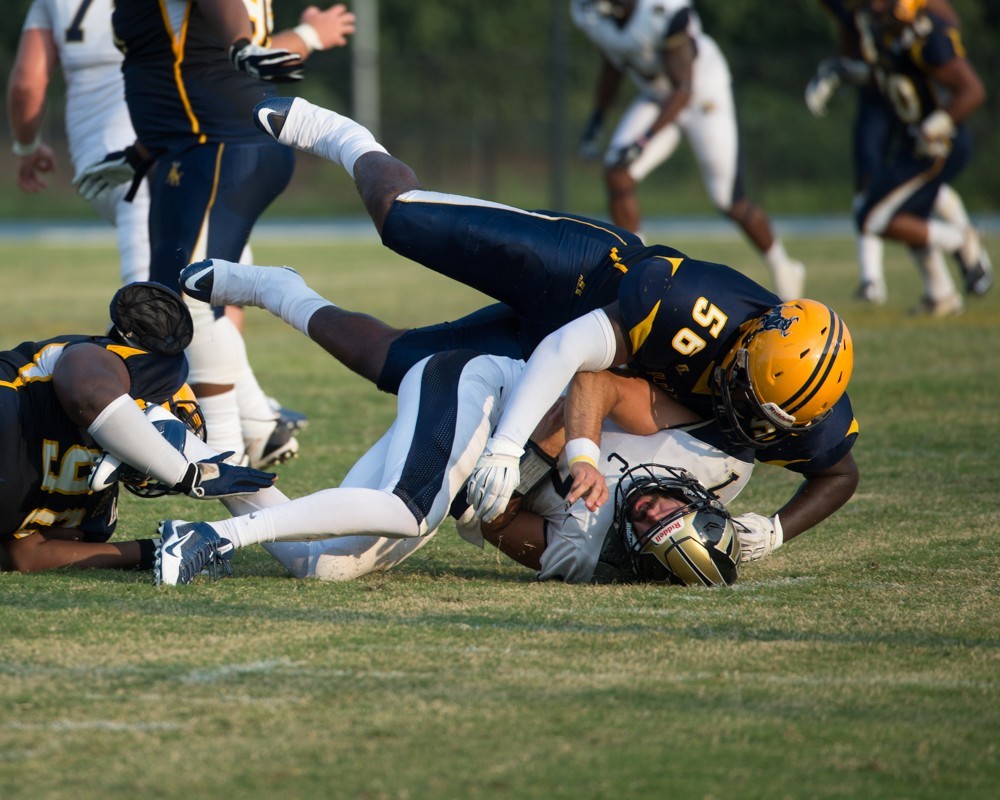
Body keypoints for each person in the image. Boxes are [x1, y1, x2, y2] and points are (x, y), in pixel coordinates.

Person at [218, 94, 857, 551]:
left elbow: (839, 474)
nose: (745, 412)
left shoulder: (802, 404)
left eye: (765, 414)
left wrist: (775, 529)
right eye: (745, 388)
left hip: (570, 357)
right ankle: (340, 135)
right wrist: (503, 450)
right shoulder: (697, 303)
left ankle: (276, 291)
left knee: (396, 365)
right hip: (580, 280)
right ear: (748, 342)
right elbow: (576, 345)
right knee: (402, 220)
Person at [154, 265, 766, 586]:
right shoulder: (710, 457)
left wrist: (491, 496)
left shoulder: (588, 556)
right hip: (480, 386)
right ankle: (212, 538)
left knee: (325, 565)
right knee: (409, 508)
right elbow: (595, 376)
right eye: (671, 514)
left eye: (653, 532)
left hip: (468, 452)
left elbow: (492, 521)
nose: (651, 512)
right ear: (700, 498)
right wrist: (575, 451)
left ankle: (191, 457)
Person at [74, 0, 355, 467]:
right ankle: (254, 432)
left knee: (189, 298)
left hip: (220, 144)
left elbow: (222, 21)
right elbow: (180, 64)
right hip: (187, 145)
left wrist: (242, 43)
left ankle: (223, 456)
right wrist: (141, 151)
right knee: (166, 301)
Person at [0, 281, 277, 574]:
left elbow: (23, 556)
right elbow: (87, 387)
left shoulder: (96, 502)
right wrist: (182, 472)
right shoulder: (103, 359)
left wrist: (158, 550)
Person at [569, 0, 806, 301]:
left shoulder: (663, 11)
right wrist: (598, 117)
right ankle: (634, 273)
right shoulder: (589, 14)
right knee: (618, 173)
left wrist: (643, 141)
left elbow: (684, 88)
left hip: (701, 94)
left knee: (729, 200)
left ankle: (783, 267)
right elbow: (613, 60)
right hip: (656, 95)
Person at [805, 0, 992, 308]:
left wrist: (933, 128)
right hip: (917, 144)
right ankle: (941, 294)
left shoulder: (929, 40)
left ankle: (959, 240)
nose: (874, 8)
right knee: (908, 216)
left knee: (871, 217)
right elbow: (884, 77)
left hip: (938, 146)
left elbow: (973, 91)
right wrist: (837, 72)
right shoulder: (892, 35)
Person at [6, 0, 150, 286]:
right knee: (213, 284)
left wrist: (27, 147)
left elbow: (26, 83)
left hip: (101, 153)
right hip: (171, 139)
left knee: (165, 299)